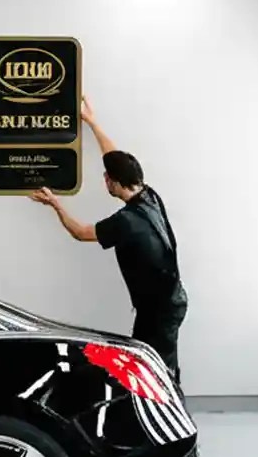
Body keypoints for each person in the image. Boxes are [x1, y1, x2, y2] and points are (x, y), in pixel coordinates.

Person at [29, 96, 188, 381]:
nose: (104, 180)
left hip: (160, 309)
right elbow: (114, 155)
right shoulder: (149, 195)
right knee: (148, 361)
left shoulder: (125, 222)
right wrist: (91, 122)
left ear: (113, 182)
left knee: (155, 369)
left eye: (105, 177)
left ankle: (168, 416)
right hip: (170, 300)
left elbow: (79, 232)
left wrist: (55, 203)